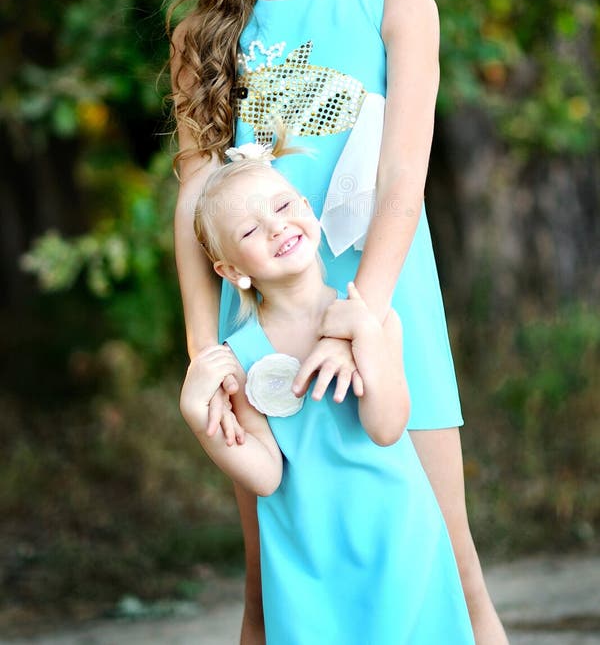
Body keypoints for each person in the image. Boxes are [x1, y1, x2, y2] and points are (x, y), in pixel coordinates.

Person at [168, 0, 508, 645]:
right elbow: (194, 200)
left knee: (454, 570)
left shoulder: (399, 7)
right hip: (270, 328)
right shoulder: (209, 32)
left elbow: (403, 176)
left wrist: (362, 313)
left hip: (389, 309)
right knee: (270, 589)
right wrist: (204, 347)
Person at [180, 147, 475, 644]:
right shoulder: (241, 355)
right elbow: (268, 475)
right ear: (231, 272)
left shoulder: (370, 315)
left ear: (310, 212)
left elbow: (386, 428)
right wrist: (199, 420)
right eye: (250, 231)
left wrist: (365, 337)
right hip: (308, 555)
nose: (275, 227)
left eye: (282, 206)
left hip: (394, 537)